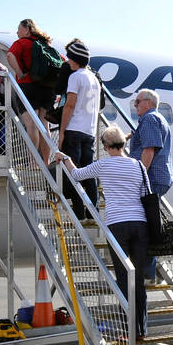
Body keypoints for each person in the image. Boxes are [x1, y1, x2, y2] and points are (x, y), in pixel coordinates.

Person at [55, 127, 149, 335]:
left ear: (106, 146)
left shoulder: (104, 164)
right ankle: (141, 328)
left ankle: (129, 328)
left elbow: (77, 175)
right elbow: (145, 193)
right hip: (140, 224)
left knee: (124, 278)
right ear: (124, 144)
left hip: (118, 224)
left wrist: (66, 158)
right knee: (138, 279)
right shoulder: (139, 165)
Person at [127, 89, 172, 281]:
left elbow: (148, 151)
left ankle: (146, 272)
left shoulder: (149, 119)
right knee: (149, 223)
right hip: (157, 178)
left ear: (149, 102)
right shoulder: (156, 119)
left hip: (151, 178)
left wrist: (140, 177)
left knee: (144, 226)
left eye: (137, 102)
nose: (135, 105)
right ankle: (149, 270)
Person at [58, 38, 100, 219]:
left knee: (73, 172)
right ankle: (93, 210)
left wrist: (61, 131)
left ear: (75, 59)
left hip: (74, 129)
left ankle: (78, 211)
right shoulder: (94, 79)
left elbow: (69, 105)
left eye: (69, 58)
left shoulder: (75, 77)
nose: (67, 61)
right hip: (89, 131)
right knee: (88, 172)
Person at [7, 19, 57, 159]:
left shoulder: (21, 43)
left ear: (27, 29)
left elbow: (10, 55)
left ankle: (34, 162)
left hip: (28, 86)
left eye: (19, 28)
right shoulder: (45, 44)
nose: (17, 32)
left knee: (31, 125)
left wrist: (19, 73)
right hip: (47, 88)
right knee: (44, 125)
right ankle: (46, 161)